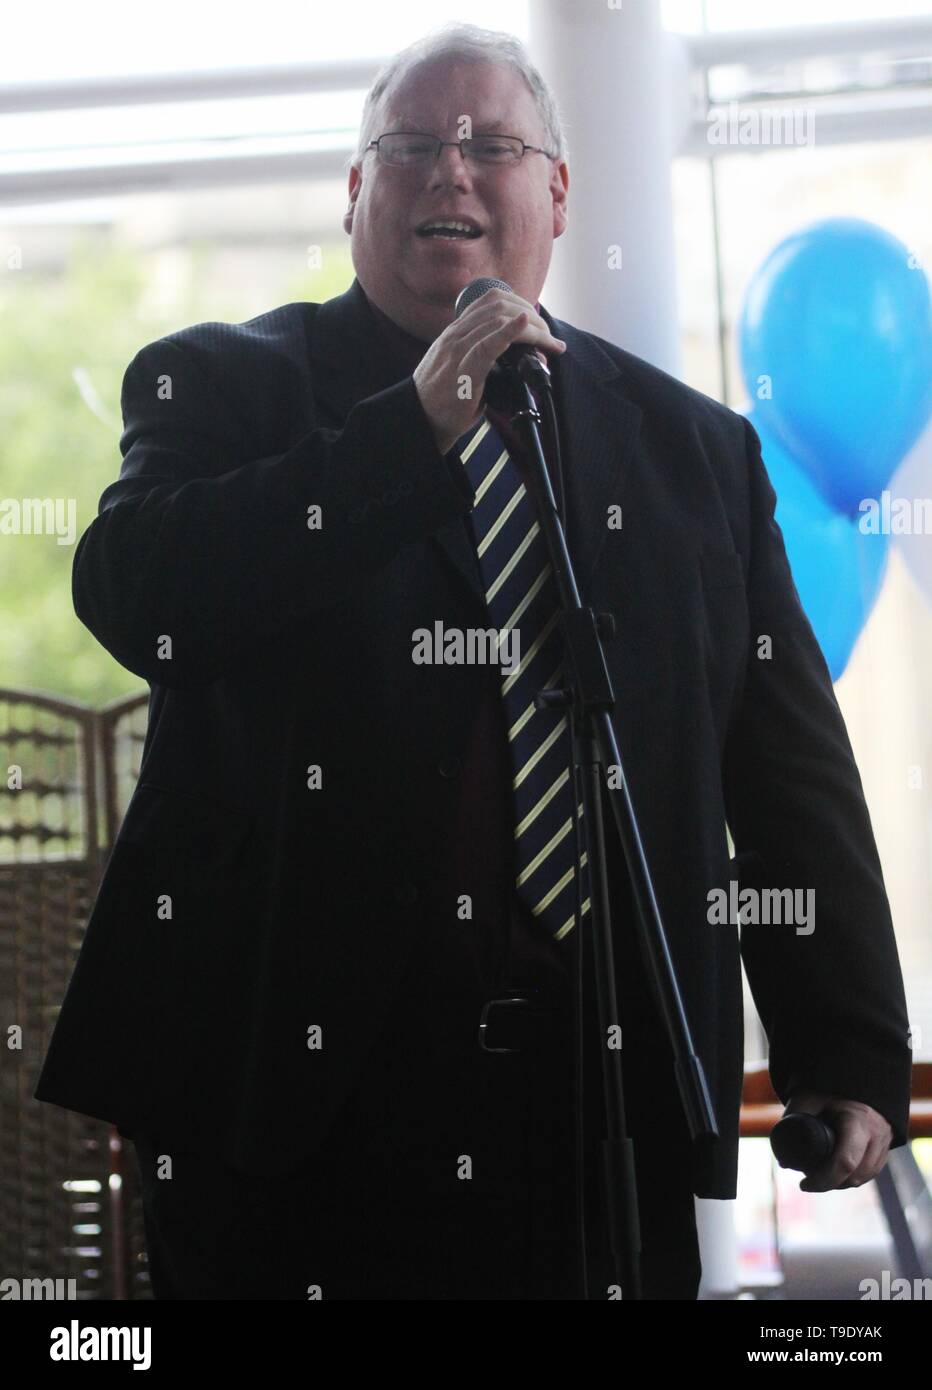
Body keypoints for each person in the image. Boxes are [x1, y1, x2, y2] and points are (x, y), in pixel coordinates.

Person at [34, 23, 912, 1300]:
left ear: (555, 192)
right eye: (409, 146)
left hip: (595, 1104)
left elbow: (781, 765)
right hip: (292, 1111)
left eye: (492, 144)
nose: (450, 171)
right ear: (352, 194)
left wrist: (843, 1043)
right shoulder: (218, 386)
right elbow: (139, 595)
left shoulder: (692, 456)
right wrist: (413, 431)